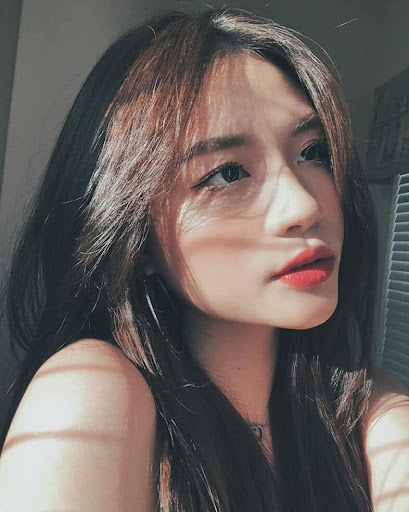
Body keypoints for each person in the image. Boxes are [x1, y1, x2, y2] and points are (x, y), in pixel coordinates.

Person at [0, 7, 408, 511]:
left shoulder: (365, 413)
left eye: (313, 152)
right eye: (227, 173)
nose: (304, 206)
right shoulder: (91, 394)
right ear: (135, 237)